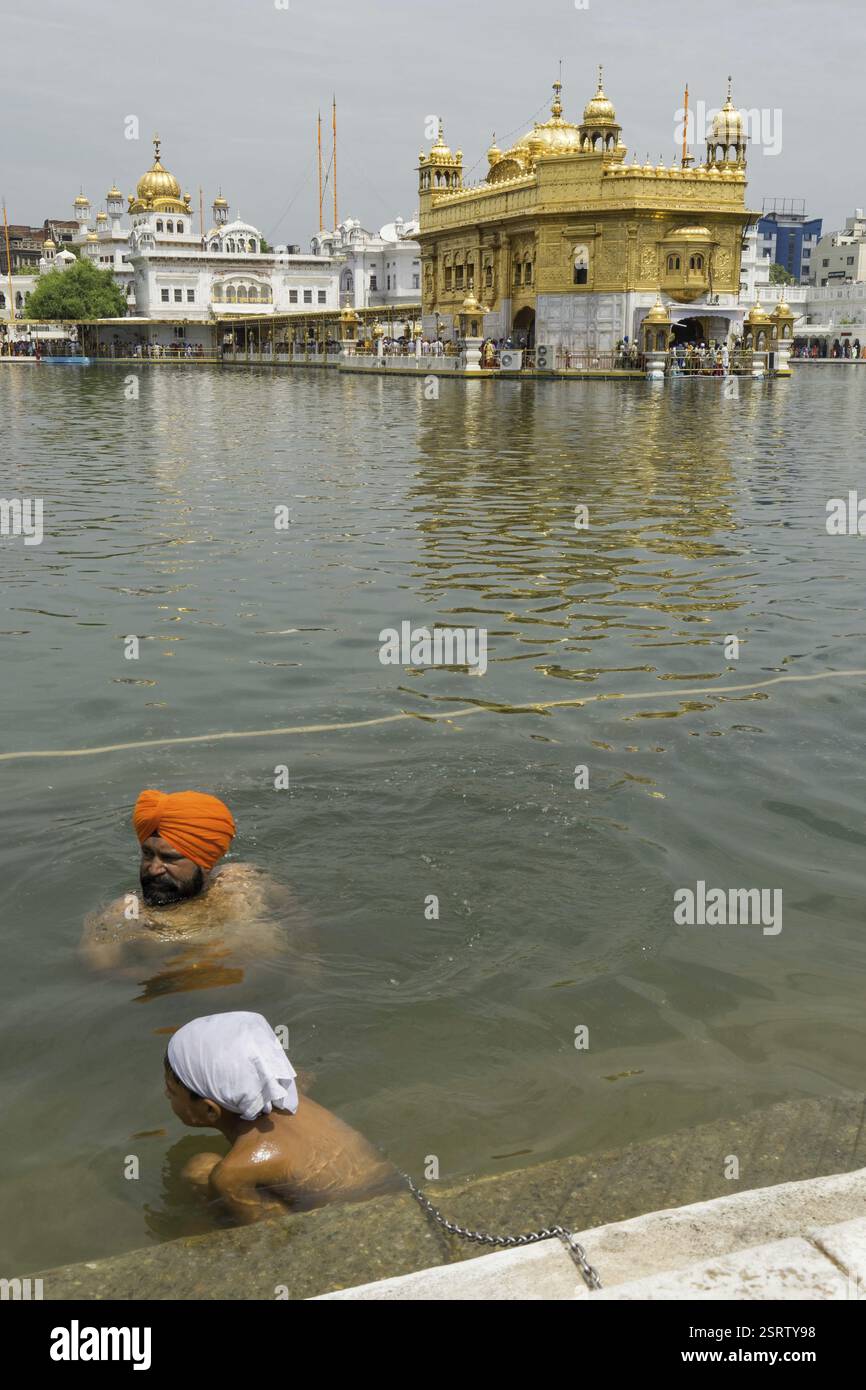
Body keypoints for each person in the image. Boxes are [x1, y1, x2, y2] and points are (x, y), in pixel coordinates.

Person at [164, 1011, 397, 1222]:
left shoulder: (231, 1174)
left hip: (357, 1224)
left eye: (172, 1092)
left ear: (209, 1110)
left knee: (200, 1169)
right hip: (392, 1193)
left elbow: (275, 1237)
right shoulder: (287, 1090)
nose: (166, 1094)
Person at [81, 789, 308, 982]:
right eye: (148, 854)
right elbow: (100, 972)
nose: (153, 868)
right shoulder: (125, 914)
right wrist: (174, 979)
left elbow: (298, 920)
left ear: (206, 863)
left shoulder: (245, 880)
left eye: (169, 858)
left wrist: (307, 970)